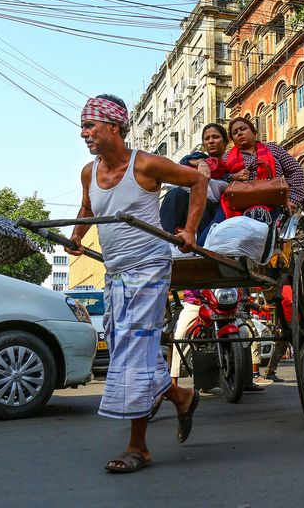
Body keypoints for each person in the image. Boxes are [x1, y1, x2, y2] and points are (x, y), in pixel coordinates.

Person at [66, 94, 205, 474]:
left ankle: (137, 446)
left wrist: (190, 230)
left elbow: (197, 181)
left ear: (115, 127)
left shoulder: (144, 164)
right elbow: (88, 208)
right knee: (118, 340)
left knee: (135, 351)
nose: (85, 133)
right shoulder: (88, 172)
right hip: (116, 271)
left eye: (91, 126)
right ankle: (180, 396)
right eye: (83, 127)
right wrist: (77, 238)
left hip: (149, 266)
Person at [221, 117, 304, 221]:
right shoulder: (226, 158)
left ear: (254, 133)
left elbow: (295, 171)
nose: (239, 133)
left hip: (273, 201)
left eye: (243, 129)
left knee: (259, 214)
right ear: (233, 140)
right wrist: (234, 176)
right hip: (239, 205)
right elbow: (220, 179)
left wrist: (292, 200)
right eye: (235, 132)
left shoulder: (272, 149)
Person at [160, 123, 229, 245]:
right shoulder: (200, 158)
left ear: (225, 141)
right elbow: (184, 161)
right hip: (192, 204)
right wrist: (202, 162)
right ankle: (165, 243)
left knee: (202, 205)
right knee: (175, 194)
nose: (211, 141)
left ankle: (201, 248)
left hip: (219, 210)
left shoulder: (232, 161)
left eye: (215, 137)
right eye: (207, 139)